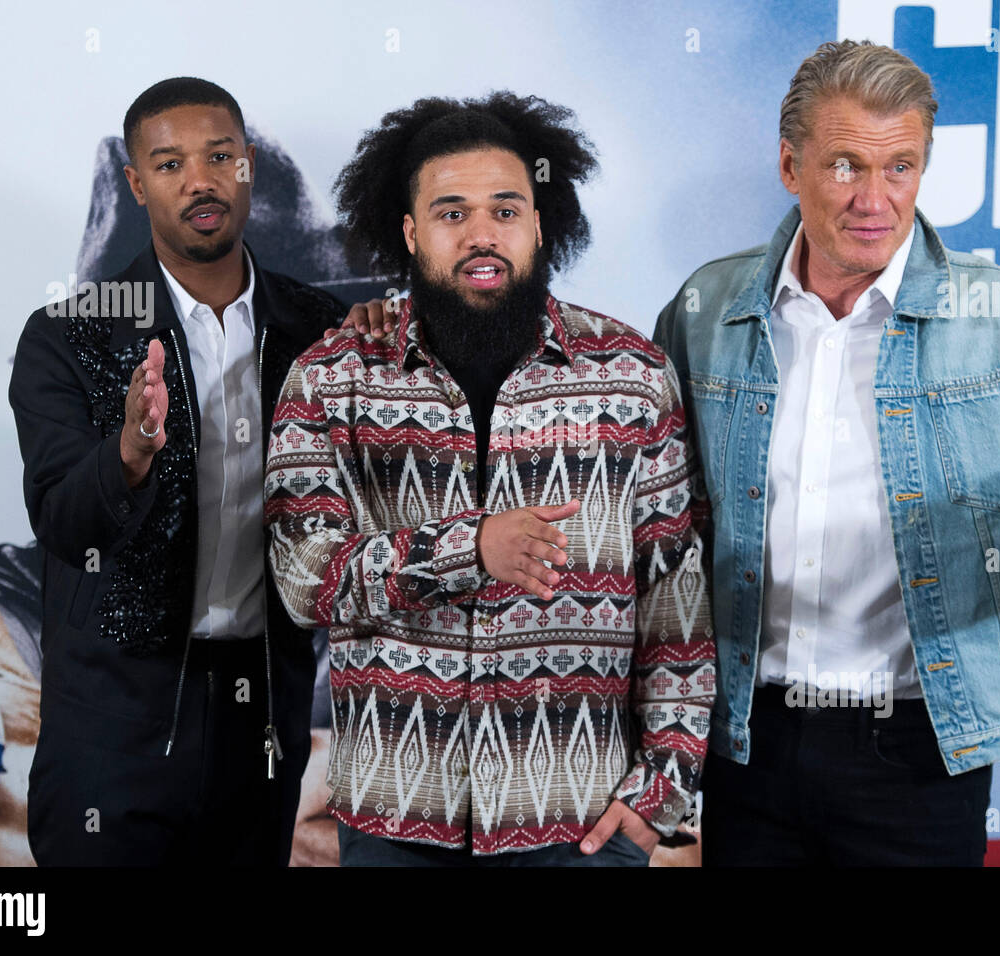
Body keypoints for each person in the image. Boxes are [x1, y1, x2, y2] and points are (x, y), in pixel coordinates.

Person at [651, 40, 1000, 866]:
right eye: (846, 164)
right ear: (790, 165)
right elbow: (657, 511)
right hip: (747, 742)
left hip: (922, 750)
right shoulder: (705, 307)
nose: (874, 198)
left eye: (901, 166)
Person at [264, 91, 715, 866]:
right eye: (451, 213)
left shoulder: (632, 378)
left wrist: (659, 794)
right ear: (409, 233)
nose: (482, 234)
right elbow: (303, 580)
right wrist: (469, 551)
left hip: (580, 826)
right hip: (394, 820)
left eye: (506, 210)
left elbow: (678, 607)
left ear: (540, 224)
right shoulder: (332, 377)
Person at [8, 77, 345, 865]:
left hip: (262, 717)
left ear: (246, 167)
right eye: (168, 164)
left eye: (219, 156)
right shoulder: (70, 333)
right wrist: (126, 457)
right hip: (114, 726)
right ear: (137, 183)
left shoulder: (321, 331)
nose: (199, 179)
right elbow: (60, 516)